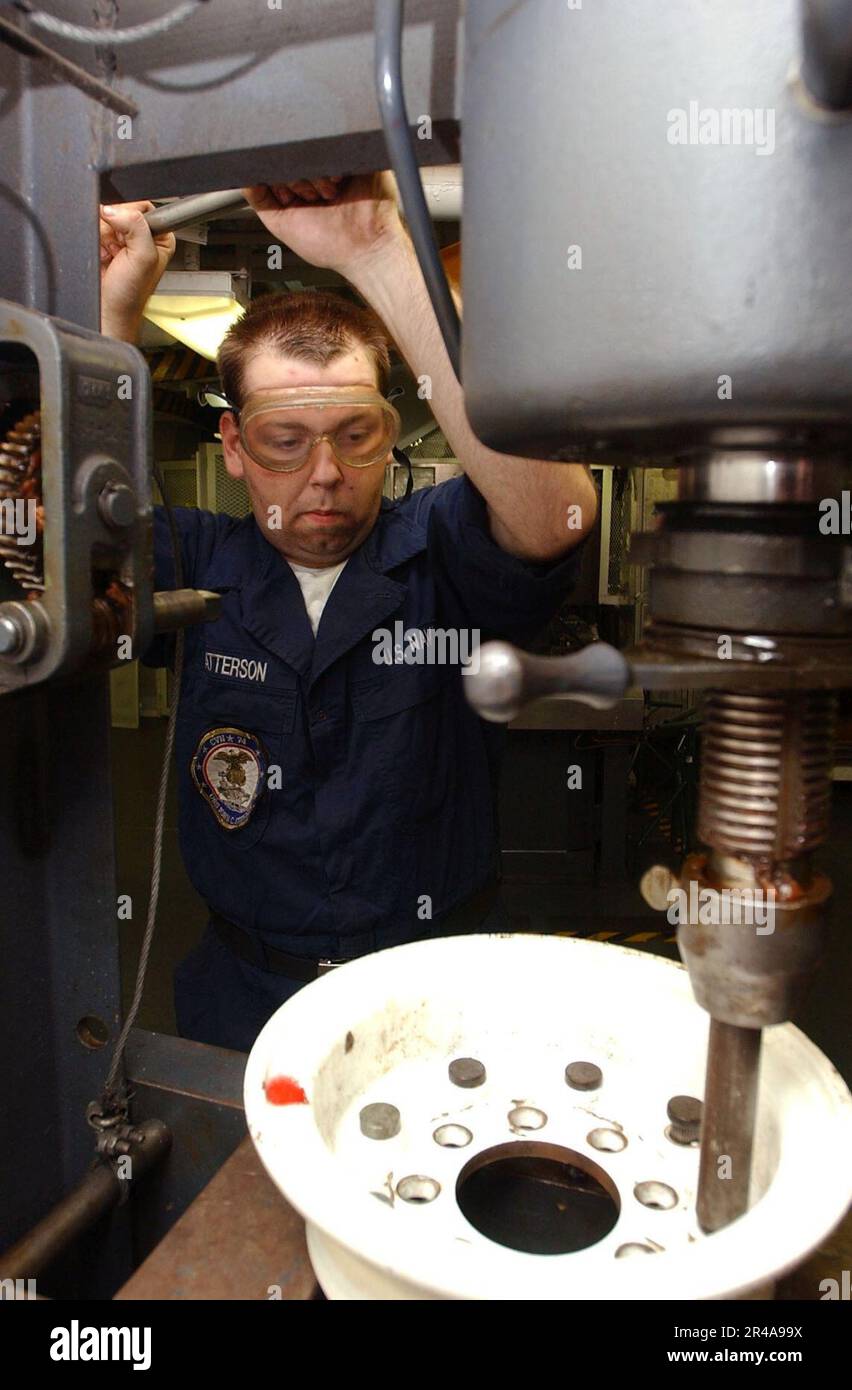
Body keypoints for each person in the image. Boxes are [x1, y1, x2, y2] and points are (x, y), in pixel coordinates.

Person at [99, 174, 598, 1052]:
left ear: (391, 432)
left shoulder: (441, 551)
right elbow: (70, 534)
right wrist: (114, 310)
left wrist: (378, 249)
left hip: (433, 994)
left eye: (355, 435)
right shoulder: (197, 565)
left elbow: (558, 515)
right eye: (285, 441)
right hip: (245, 1000)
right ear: (235, 449)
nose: (324, 473)